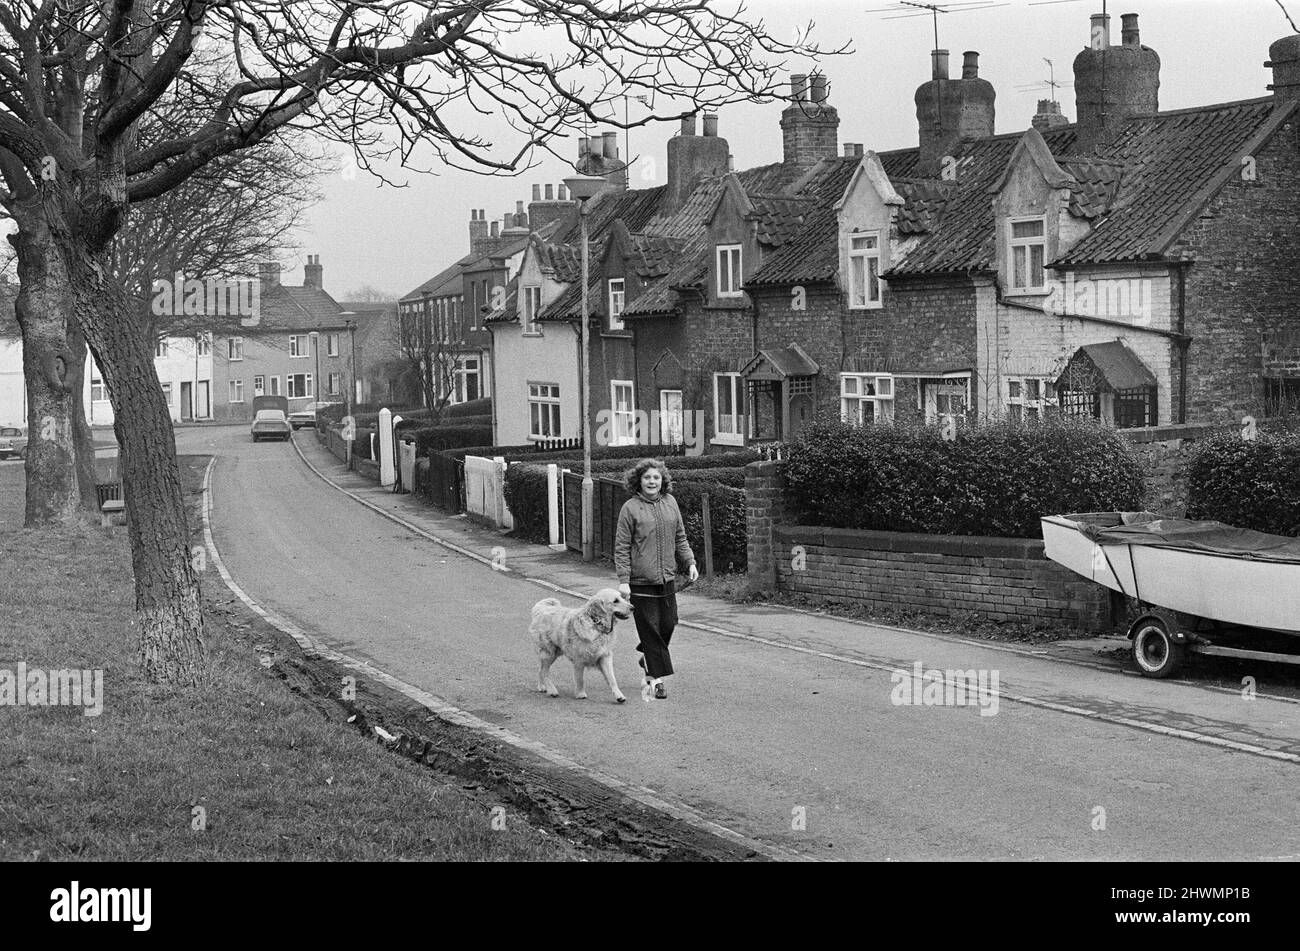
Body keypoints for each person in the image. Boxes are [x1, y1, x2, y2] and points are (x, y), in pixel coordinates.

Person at [614, 458, 698, 700]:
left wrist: (690, 562)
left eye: (656, 477)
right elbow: (621, 547)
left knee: (669, 624)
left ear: (663, 481)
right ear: (638, 481)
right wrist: (623, 580)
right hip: (641, 581)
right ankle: (656, 680)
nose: (652, 481)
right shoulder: (629, 508)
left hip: (666, 577)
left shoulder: (670, 503)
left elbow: (680, 537)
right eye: (647, 477)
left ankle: (648, 656)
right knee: (650, 631)